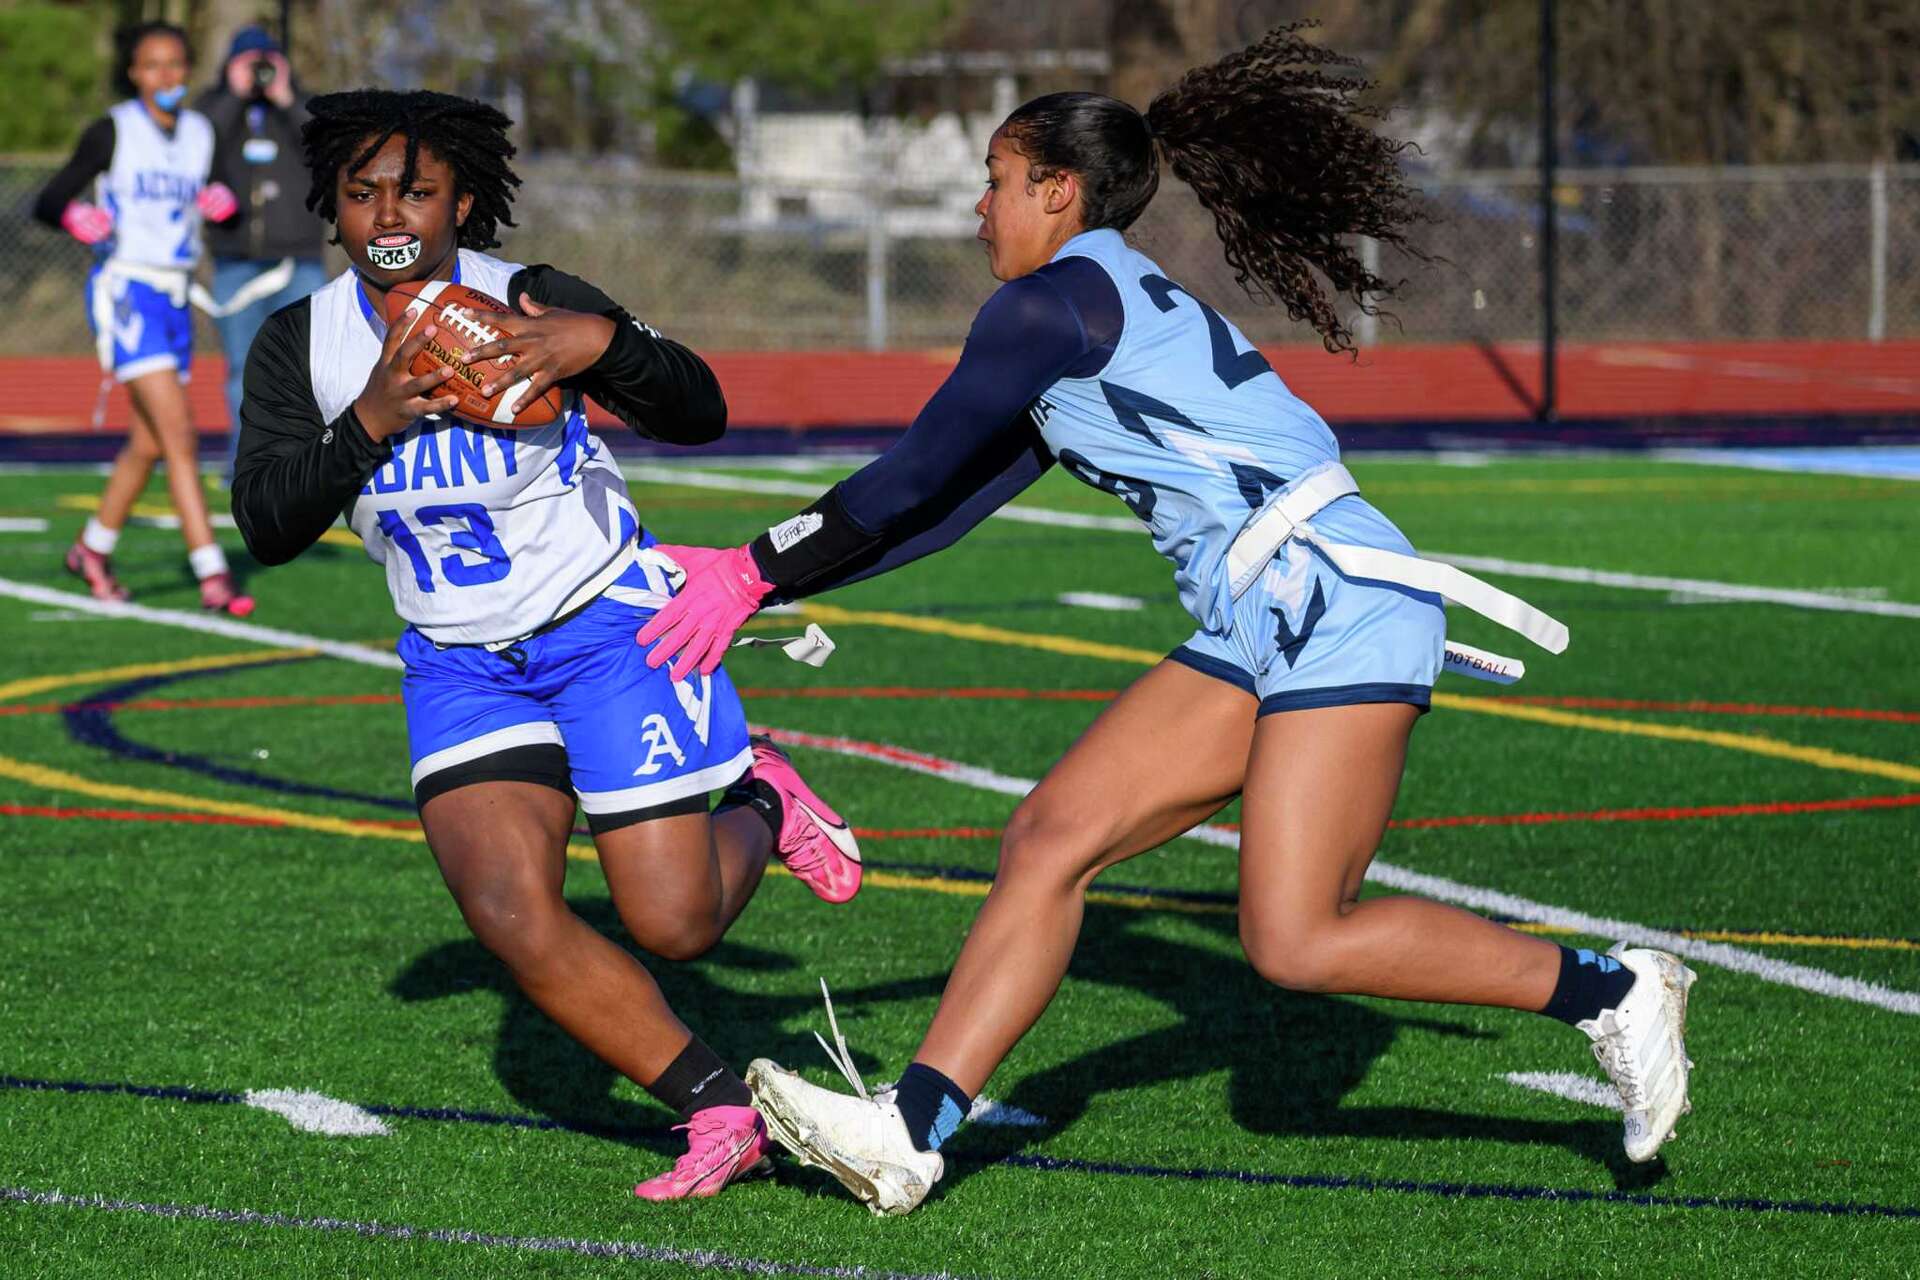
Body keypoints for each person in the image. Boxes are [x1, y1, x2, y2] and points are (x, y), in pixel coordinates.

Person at [638, 25, 1697, 1215]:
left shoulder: (1048, 307)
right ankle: (911, 1133)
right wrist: (763, 579)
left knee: (1297, 939)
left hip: (1334, 603)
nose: (979, 208)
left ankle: (1612, 990)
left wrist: (752, 565)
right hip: (1267, 613)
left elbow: (911, 473)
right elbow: (945, 508)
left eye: (995, 180)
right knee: (1052, 837)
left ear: (1060, 189)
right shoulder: (1085, 308)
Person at [229, 88, 865, 1200]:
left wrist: (603, 341)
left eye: (417, 191)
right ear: (331, 205)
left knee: (674, 923)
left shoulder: (527, 297)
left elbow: (700, 411)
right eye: (363, 191)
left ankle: (764, 797)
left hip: (602, 623)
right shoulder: (303, 341)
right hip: (458, 659)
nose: (389, 212)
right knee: (509, 910)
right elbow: (267, 523)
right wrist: (372, 416)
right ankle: (719, 1108)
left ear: (461, 204)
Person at [33, 20, 253, 615]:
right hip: (127, 290)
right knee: (180, 433)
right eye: (152, 65)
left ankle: (91, 550)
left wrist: (226, 207)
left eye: (175, 64)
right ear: (134, 73)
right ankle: (213, 574)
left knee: (149, 443)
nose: (165, 76)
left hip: (176, 294)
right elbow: (49, 199)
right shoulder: (114, 130)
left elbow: (227, 204)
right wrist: (74, 218)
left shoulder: (200, 133)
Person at [193, 24, 331, 483]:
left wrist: (286, 97)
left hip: (298, 262)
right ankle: (247, 464)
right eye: (248, 63)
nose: (258, 72)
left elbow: (327, 149)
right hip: (236, 261)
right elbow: (197, 147)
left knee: (305, 369)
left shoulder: (303, 106)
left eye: (266, 62)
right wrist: (234, 96)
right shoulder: (212, 110)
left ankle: (303, 464)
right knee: (242, 369)